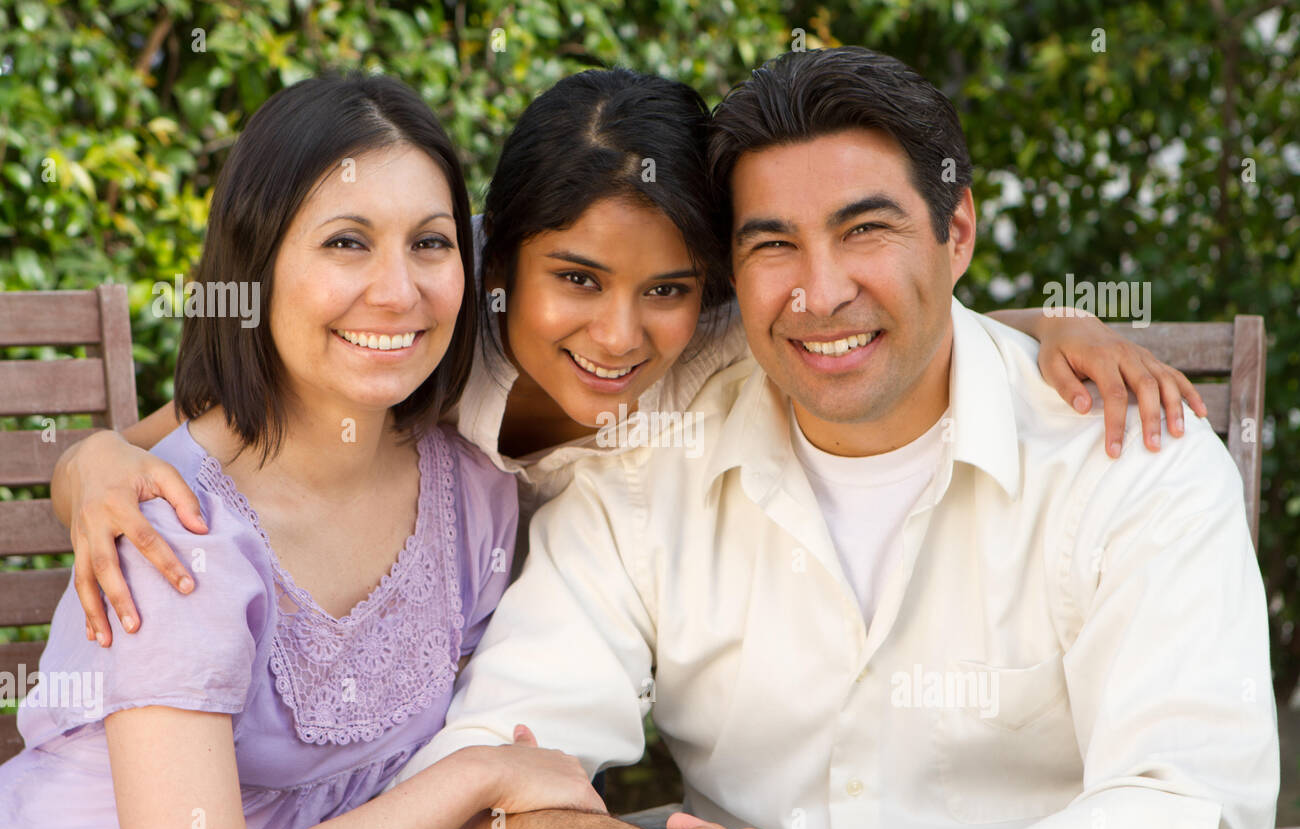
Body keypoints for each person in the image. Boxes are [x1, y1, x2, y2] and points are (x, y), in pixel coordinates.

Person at [401, 48, 1279, 829]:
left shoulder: (1132, 462)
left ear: (958, 231)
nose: (819, 294)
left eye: (865, 231)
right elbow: (482, 782)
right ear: (734, 278)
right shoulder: (643, 464)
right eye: (773, 244)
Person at [49, 68, 1206, 647]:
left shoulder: (714, 349)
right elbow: (182, 425)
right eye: (578, 281)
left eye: (666, 290)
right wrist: (88, 462)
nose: (618, 336)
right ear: (500, 262)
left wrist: (1055, 328)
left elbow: (868, 320)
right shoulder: (429, 350)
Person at [0, 73, 602, 829]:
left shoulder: (471, 488)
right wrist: (481, 776)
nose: (398, 292)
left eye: (430, 242)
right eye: (346, 242)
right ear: (257, 266)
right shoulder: (173, 535)